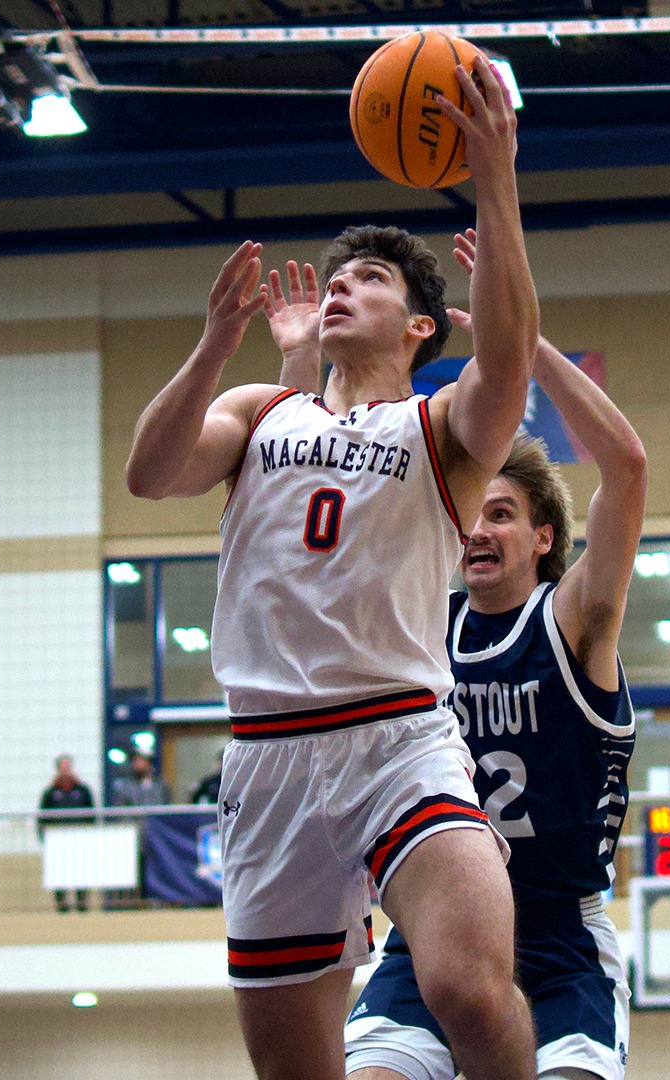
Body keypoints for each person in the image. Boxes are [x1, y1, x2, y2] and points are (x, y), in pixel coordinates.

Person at [126, 55, 539, 1080]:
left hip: (397, 737)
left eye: (374, 278)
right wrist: (217, 344)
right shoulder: (264, 410)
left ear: (420, 326)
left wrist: (495, 179)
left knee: (469, 989)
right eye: (338, 275)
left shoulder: (437, 428)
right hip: (266, 758)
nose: (345, 284)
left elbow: (511, 365)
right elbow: (149, 472)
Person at [343, 228, 647, 1080]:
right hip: (433, 926)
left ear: (544, 535)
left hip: (556, 939)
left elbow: (625, 467)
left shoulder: (575, 619)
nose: (479, 527)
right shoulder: (416, 623)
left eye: (504, 513)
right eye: (475, 511)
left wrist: (522, 347)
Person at [38, 755, 95, 913]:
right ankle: (62, 907)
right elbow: (42, 818)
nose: (65, 771)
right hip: (58, 843)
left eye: (67, 767)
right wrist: (45, 839)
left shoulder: (83, 791)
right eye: (62, 768)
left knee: (80, 874)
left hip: (79, 841)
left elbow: (91, 816)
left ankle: (82, 905)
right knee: (59, 875)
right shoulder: (50, 793)